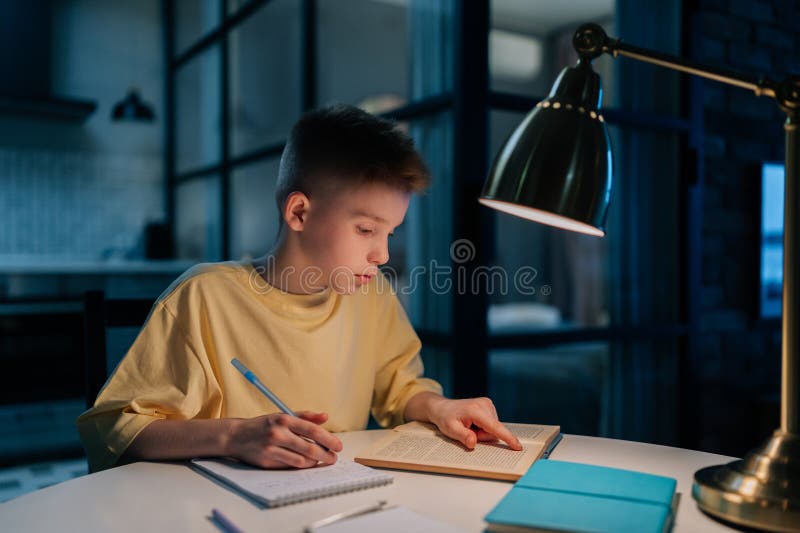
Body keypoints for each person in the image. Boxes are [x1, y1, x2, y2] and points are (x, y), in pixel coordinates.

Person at [77, 104, 522, 473]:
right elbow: (115, 427)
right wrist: (235, 435)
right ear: (300, 213)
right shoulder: (204, 299)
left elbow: (399, 388)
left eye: (391, 233)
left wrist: (440, 408)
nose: (383, 255)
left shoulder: (371, 296)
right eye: (366, 228)